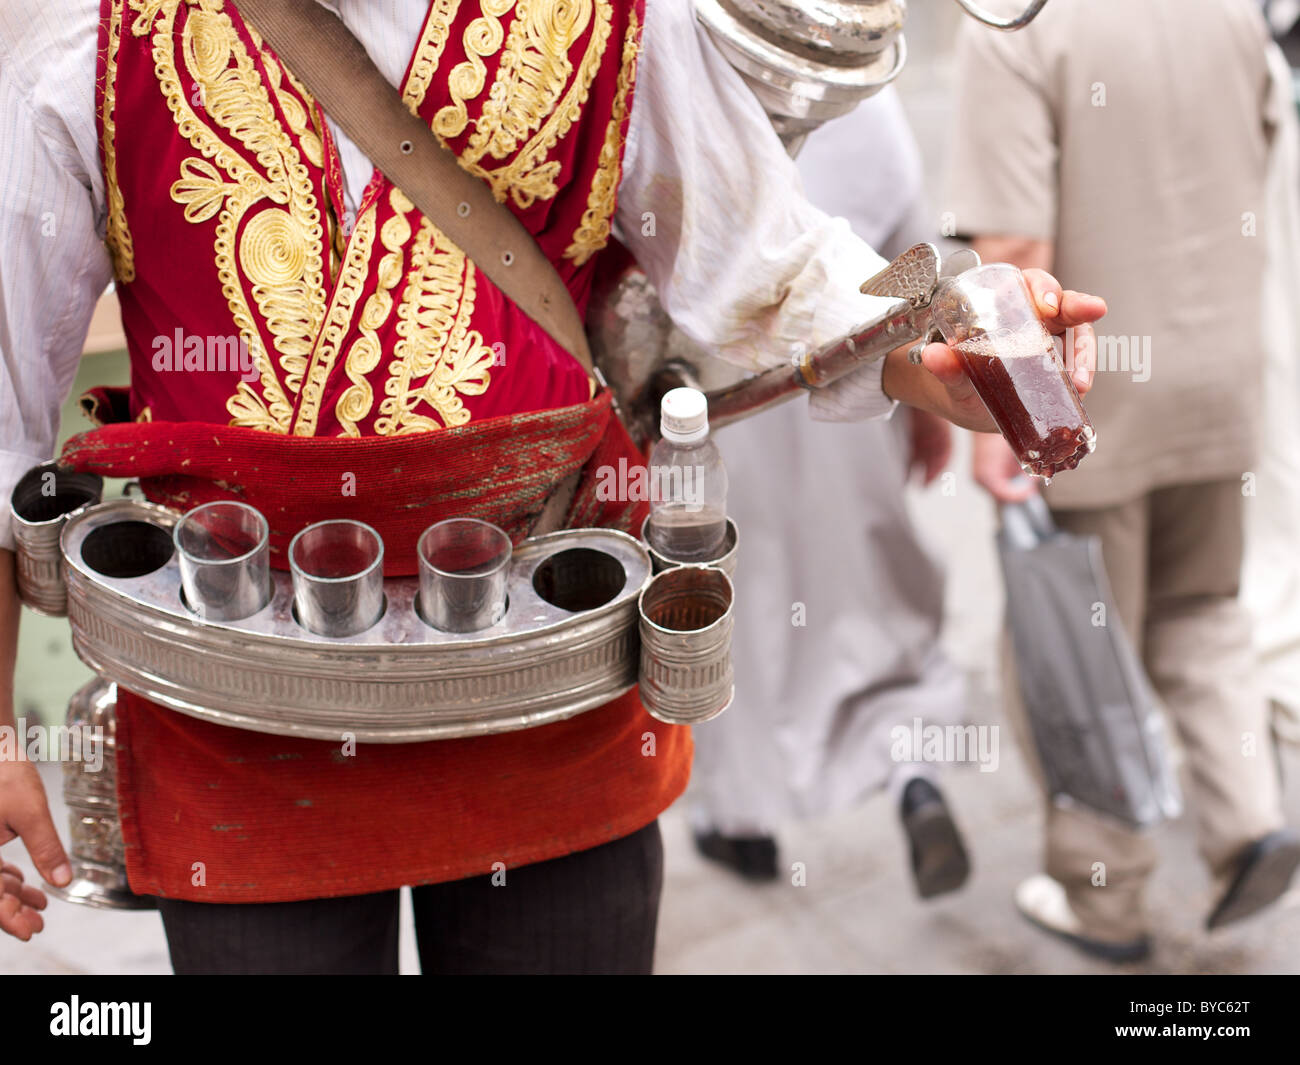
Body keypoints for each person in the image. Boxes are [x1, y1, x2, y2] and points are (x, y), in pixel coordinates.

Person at [0, 0, 1102, 972]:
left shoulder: (617, 16)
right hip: (241, 714)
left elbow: (767, 265)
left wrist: (931, 362)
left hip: (552, 669)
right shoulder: (90, 38)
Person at [947, 0, 1300, 961]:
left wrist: (1000, 425)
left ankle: (1103, 896)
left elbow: (1015, 257)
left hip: (1085, 402)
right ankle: (1247, 825)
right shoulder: (1230, 11)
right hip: (1220, 380)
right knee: (1202, 606)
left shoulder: (1017, 25)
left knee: (1075, 649)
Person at [690, 88, 973, 899]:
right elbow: (910, 253)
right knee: (871, 589)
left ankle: (741, 822)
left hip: (722, 409)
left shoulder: (682, 56)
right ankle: (910, 768)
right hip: (859, 384)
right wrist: (926, 398)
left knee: (736, 606)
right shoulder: (859, 86)